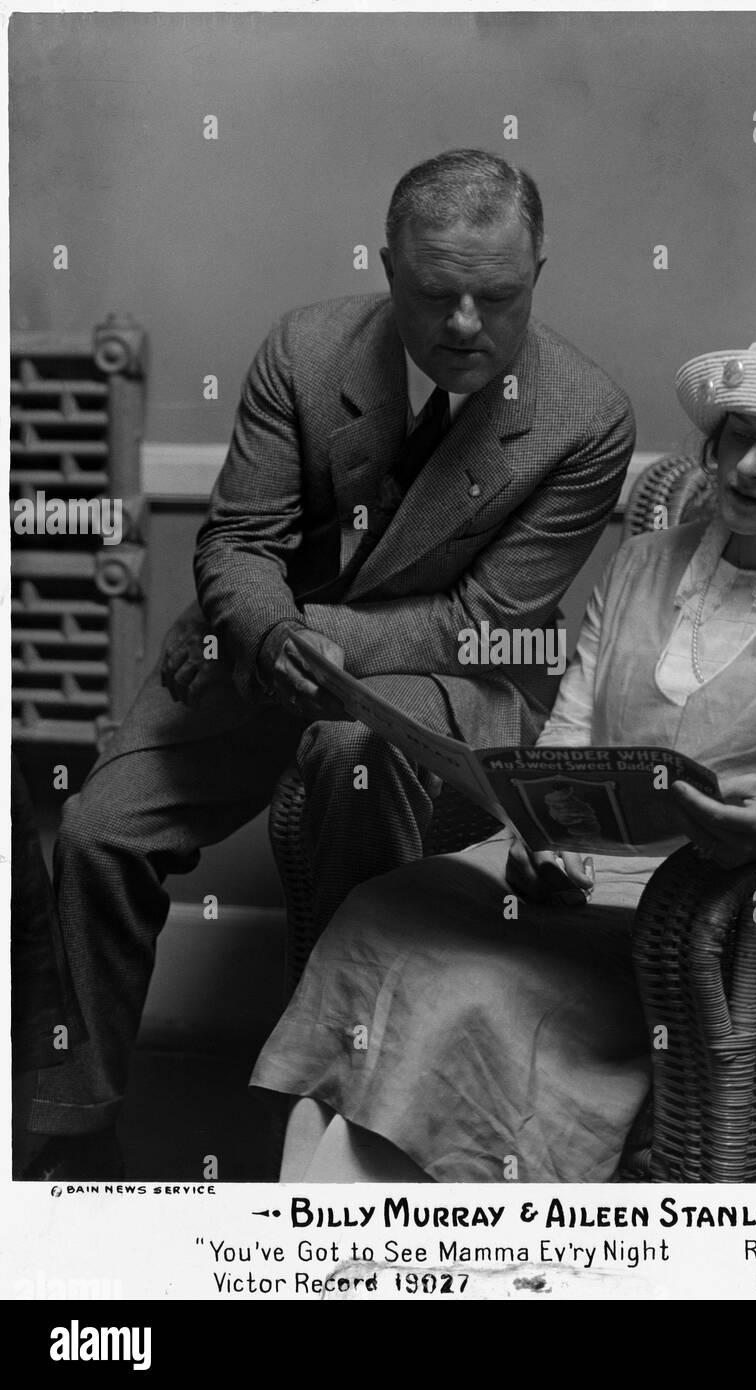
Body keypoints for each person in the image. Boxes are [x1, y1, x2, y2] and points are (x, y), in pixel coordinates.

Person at [19, 148, 635, 1180]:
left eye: (502, 293)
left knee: (347, 756)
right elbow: (238, 541)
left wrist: (299, 626)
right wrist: (258, 629)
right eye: (439, 293)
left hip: (460, 676)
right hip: (267, 655)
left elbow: (485, 616)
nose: (469, 324)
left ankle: (333, 1126)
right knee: (94, 830)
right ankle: (76, 1113)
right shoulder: (304, 350)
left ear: (540, 271)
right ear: (388, 269)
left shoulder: (588, 416)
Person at [251, 321, 756, 1184]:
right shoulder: (645, 562)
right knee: (383, 914)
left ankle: (401, 1238)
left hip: (726, 900)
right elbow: (571, 736)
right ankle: (320, 1231)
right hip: (574, 874)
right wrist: (533, 834)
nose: (746, 470)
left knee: (477, 988)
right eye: (738, 437)